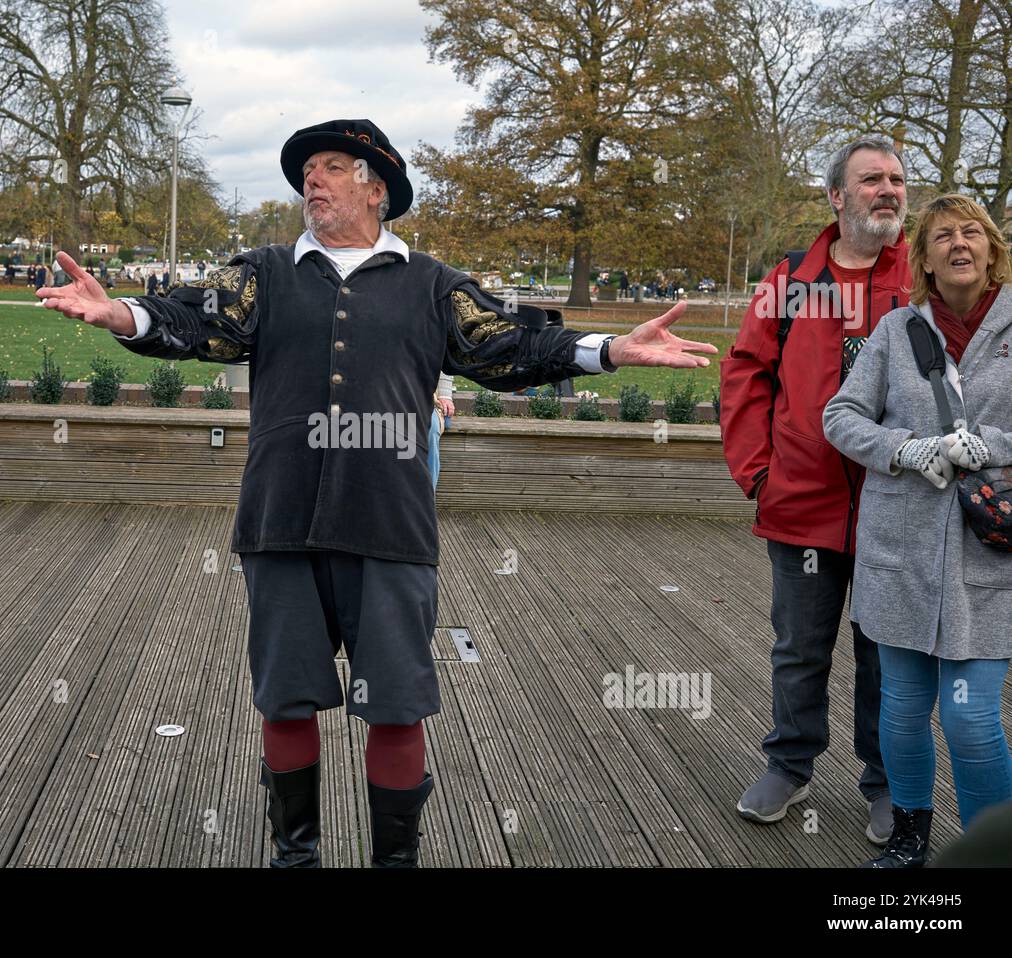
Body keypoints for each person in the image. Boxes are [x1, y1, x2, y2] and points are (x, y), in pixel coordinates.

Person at [36, 117, 715, 868]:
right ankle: (296, 856)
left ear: (377, 189)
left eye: (332, 166)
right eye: (307, 171)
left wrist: (609, 349)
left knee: (396, 706)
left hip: (390, 525)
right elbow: (197, 322)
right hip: (281, 522)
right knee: (286, 699)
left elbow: (507, 345)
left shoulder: (431, 285)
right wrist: (121, 314)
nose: (312, 181)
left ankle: (395, 861)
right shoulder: (262, 272)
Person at [721, 136, 911, 843]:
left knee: (887, 649)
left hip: (898, 509)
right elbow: (744, 373)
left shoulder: (917, 280)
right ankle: (789, 762)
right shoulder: (792, 281)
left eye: (895, 179)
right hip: (800, 504)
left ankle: (888, 781)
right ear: (837, 196)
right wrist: (758, 474)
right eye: (871, 180)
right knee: (799, 645)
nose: (887, 190)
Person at [824, 193, 1012, 867]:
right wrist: (906, 449)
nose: (958, 244)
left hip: (990, 555)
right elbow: (841, 417)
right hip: (899, 550)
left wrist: (986, 443)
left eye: (971, 233)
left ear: (991, 249)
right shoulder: (897, 332)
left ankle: (993, 849)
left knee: (968, 716)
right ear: (925, 259)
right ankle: (909, 838)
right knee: (901, 709)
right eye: (941, 237)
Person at [428, 373, 455, 489]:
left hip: (424, 395)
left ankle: (427, 496)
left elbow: (442, 360)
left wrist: (444, 394)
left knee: (430, 427)